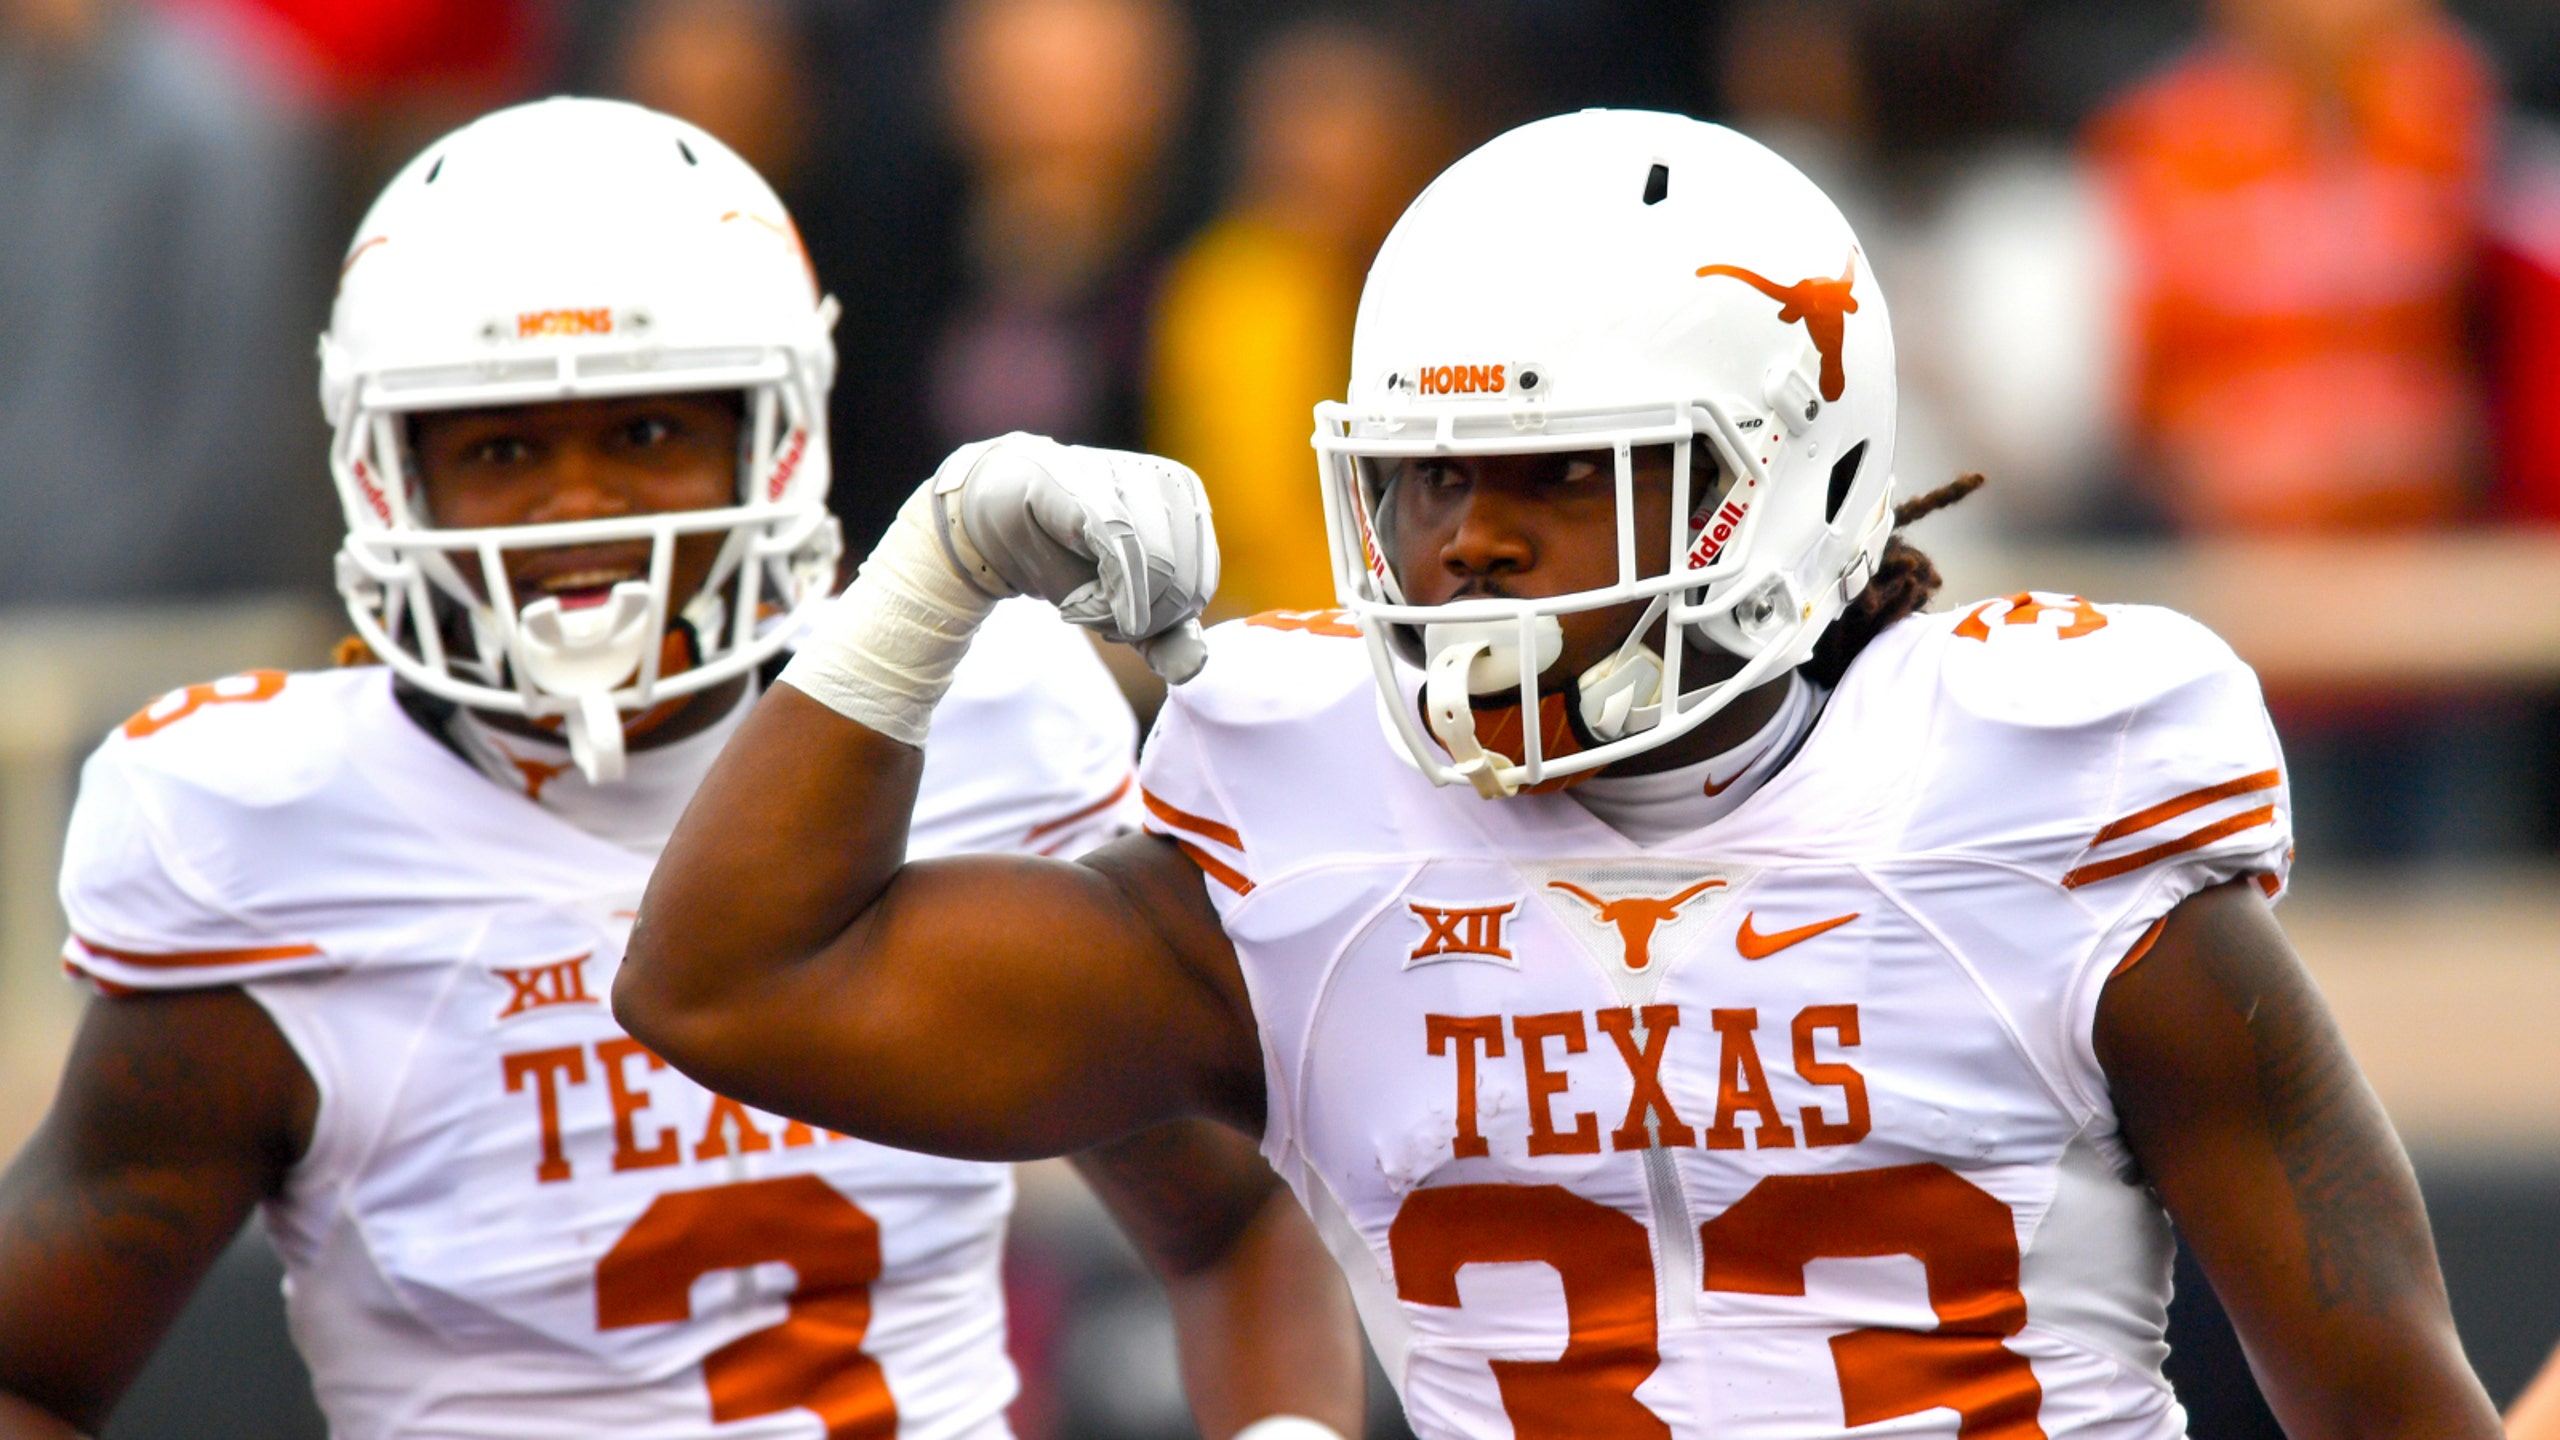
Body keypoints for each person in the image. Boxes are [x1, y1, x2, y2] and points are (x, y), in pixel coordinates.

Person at [618, 110, 2503, 1438]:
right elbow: (730, 987)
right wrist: (929, 580)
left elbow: (2390, 1407)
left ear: (1782, 484)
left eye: (1560, 476)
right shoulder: (1308, 848)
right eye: (1432, 477)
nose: (1470, 547)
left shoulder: (2035, 807)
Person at [0, 99, 1360, 1440]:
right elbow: (32, 1371)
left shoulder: (990, 722)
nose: (577, 506)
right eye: (502, 448)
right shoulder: (268, 833)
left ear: (775, 440)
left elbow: (1235, 1220)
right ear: (386, 471)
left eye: (647, 436)